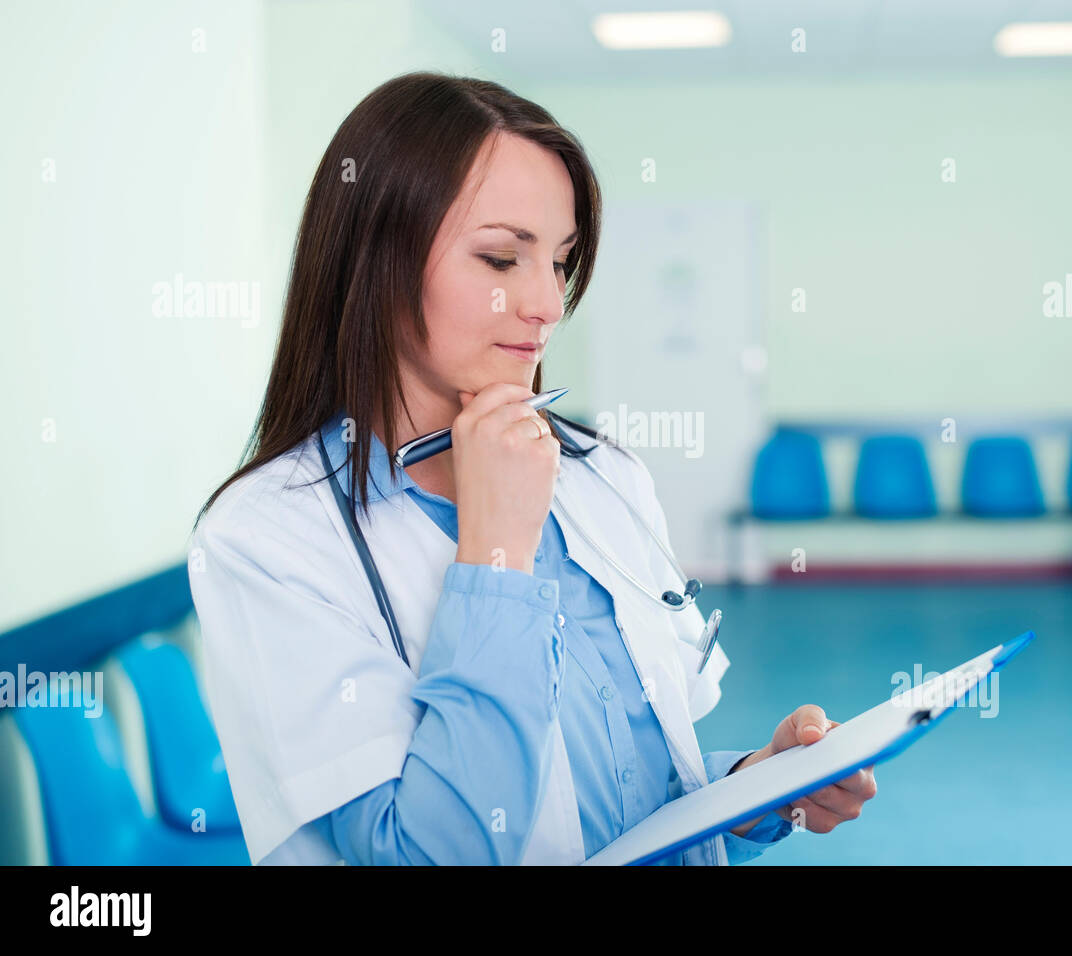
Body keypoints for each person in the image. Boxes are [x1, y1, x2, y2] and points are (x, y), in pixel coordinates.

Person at [188, 71, 876, 866]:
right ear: (373, 260)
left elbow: (632, 795)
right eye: (502, 258)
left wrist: (758, 786)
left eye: (560, 261)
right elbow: (432, 853)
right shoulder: (268, 538)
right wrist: (497, 554)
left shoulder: (602, 476)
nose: (549, 303)